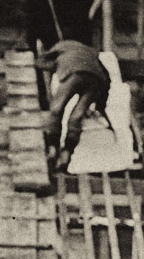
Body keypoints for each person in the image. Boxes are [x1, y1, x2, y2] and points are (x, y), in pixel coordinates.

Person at [38, 39, 111, 173]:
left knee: (56, 108)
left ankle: (53, 147)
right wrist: (101, 104)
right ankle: (67, 153)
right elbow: (107, 77)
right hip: (96, 80)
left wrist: (55, 66)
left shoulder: (60, 45)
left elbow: (40, 62)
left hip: (73, 73)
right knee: (77, 117)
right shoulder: (90, 50)